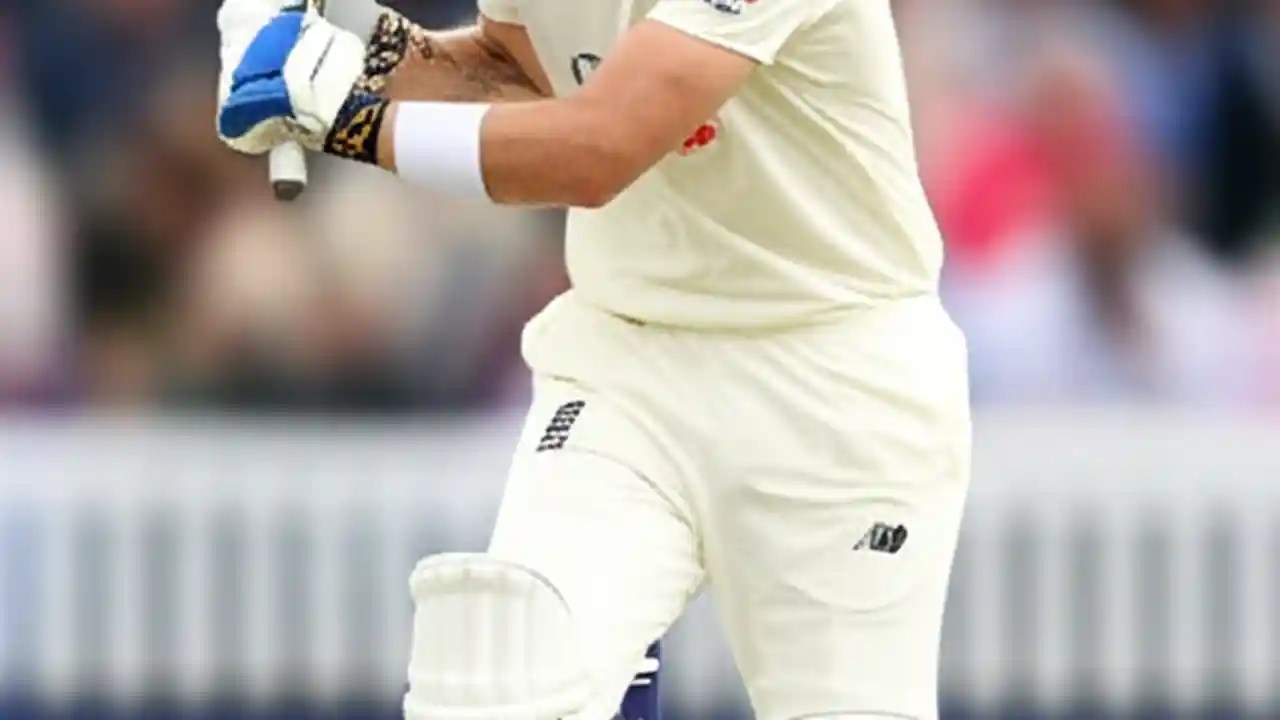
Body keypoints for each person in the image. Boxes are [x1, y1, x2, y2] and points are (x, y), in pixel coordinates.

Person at [215, 0, 972, 718]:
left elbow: (602, 146)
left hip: (834, 378)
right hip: (627, 363)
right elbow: (526, 76)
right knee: (500, 677)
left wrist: (351, 124)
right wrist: (346, 48)